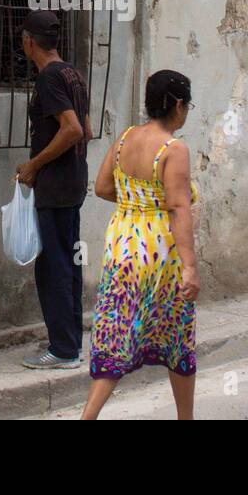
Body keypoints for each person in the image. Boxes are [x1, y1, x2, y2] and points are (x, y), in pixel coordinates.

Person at [82, 69, 199, 419]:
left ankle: (87, 416)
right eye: (187, 104)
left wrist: (136, 201)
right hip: (159, 252)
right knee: (177, 335)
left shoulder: (126, 138)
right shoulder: (173, 149)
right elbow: (178, 208)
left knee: (117, 334)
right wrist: (190, 267)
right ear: (178, 105)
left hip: (122, 246)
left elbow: (102, 187)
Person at [15, 10, 92, 369]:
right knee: (68, 263)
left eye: (22, 38)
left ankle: (62, 350)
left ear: (30, 41)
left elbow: (74, 129)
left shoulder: (49, 78)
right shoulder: (74, 74)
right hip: (73, 181)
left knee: (53, 267)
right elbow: (87, 130)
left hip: (56, 186)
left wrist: (35, 164)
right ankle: (70, 344)